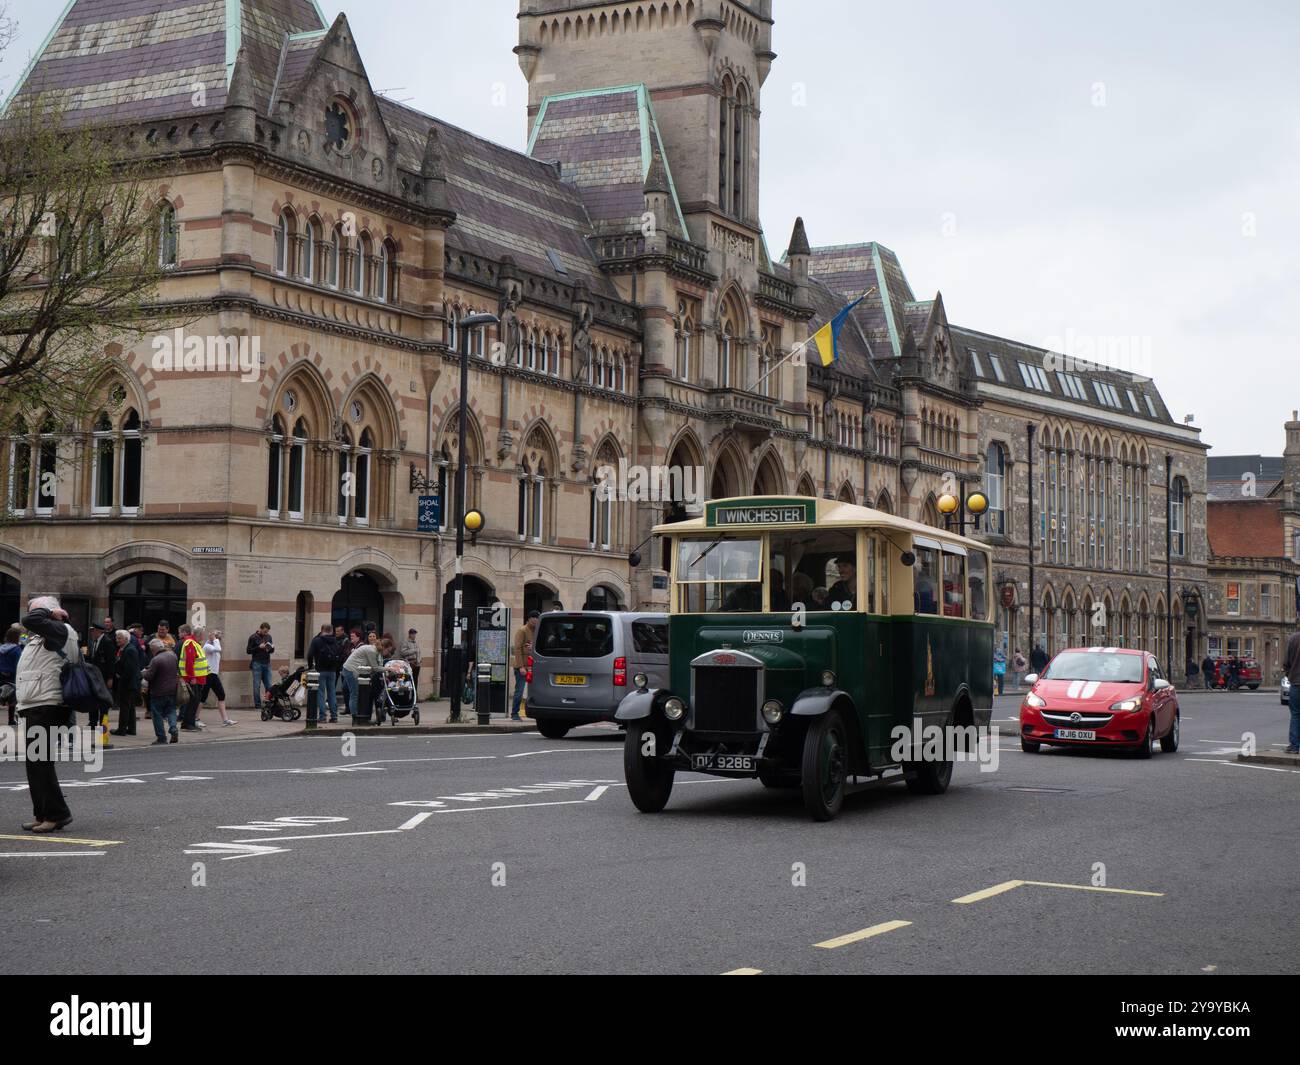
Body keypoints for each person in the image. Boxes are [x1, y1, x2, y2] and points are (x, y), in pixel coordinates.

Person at [14, 597, 76, 833]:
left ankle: (56, 814)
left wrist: (49, 612)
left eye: (37, 611)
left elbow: (29, 619)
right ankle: (43, 814)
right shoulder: (47, 633)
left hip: (47, 705)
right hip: (36, 704)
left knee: (40, 763)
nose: (31, 616)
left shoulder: (61, 630)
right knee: (36, 763)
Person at [141, 638, 180, 745]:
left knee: (157, 714)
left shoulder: (156, 660)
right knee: (171, 710)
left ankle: (161, 738)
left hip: (158, 692)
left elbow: (149, 676)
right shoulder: (173, 656)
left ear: (153, 649)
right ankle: (173, 728)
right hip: (172, 690)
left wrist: (143, 672)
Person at [341, 631, 382, 719]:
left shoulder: (369, 648)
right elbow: (375, 667)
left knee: (356, 693)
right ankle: (355, 717)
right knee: (354, 693)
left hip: (353, 670)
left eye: (374, 636)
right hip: (352, 670)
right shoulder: (371, 650)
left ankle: (358, 714)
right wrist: (389, 669)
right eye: (370, 636)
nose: (372, 638)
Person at [307, 623, 342, 724]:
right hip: (332, 670)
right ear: (331, 631)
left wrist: (310, 666)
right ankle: (334, 716)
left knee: (321, 693)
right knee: (332, 693)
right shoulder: (335, 640)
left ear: (322, 630)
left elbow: (310, 655)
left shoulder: (317, 640)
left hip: (320, 670)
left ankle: (322, 716)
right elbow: (339, 654)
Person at [176, 624, 209, 731]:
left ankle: (189, 723)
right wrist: (192, 677)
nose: (204, 636)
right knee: (192, 702)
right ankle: (187, 724)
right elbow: (189, 662)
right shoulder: (190, 643)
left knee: (194, 701)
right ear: (199, 634)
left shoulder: (194, 643)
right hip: (194, 679)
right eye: (203, 634)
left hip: (198, 678)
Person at [200, 629, 236, 726]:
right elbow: (218, 649)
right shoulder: (208, 646)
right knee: (203, 697)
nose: (220, 639)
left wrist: (215, 639)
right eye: (218, 637)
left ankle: (225, 720)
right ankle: (195, 719)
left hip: (213, 674)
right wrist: (214, 639)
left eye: (219, 637)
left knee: (221, 695)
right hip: (208, 674)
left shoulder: (214, 646)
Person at [110, 630, 142, 736]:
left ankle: (122, 729)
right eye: (117, 637)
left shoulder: (130, 650)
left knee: (125, 706)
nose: (117, 640)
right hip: (128, 682)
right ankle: (131, 729)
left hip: (128, 683)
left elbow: (129, 669)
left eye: (119, 638)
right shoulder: (124, 649)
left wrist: (121, 677)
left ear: (126, 639)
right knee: (130, 706)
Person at [511, 611, 539, 721]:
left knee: (533, 690)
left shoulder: (536, 630)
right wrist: (521, 666)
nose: (537, 620)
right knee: (520, 690)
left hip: (532, 665)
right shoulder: (522, 630)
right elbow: (517, 649)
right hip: (522, 666)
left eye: (538, 618)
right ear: (530, 619)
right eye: (535, 618)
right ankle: (514, 713)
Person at [246, 622, 274, 707]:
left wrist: (271, 648)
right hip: (257, 663)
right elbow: (248, 651)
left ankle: (268, 703)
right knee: (256, 685)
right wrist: (259, 647)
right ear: (260, 629)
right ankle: (257, 704)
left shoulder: (269, 637)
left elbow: (272, 650)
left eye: (267, 632)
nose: (266, 633)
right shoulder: (253, 637)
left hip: (267, 662)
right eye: (265, 631)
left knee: (269, 684)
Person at [0, 625, 22, 727]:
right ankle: (11, 720)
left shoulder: (1, 648)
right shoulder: (16, 649)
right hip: (12, 678)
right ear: (16, 637)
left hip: (1, 678)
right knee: (13, 700)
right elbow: (18, 664)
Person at [1283, 625, 1300, 754]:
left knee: (1295, 715)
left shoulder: (1293, 639)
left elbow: (1286, 663)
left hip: (1296, 683)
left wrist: (1290, 675)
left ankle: (1294, 746)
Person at [400, 629, 421, 693]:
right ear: (409, 634)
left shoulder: (416, 643)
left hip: (416, 663)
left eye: (415, 634)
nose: (414, 635)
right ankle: (409, 695)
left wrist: (419, 660)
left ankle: (415, 695)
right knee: (409, 680)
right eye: (413, 634)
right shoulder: (405, 642)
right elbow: (403, 652)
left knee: (415, 680)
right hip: (410, 663)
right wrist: (413, 650)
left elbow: (419, 652)